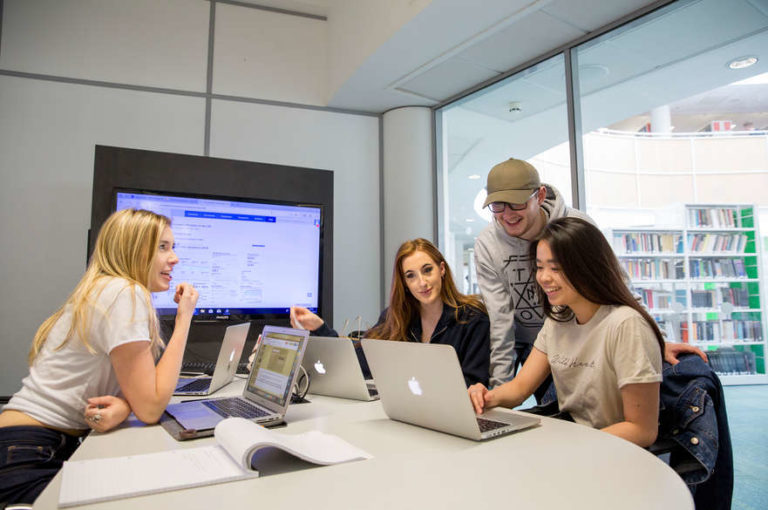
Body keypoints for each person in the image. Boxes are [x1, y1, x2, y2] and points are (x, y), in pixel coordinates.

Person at [0, 209, 199, 505]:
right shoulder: (125, 293)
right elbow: (151, 408)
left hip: (27, 446)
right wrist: (185, 318)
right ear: (133, 248)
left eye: (173, 247)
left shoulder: (108, 289)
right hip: (29, 454)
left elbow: (140, 394)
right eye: (162, 247)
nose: (174, 258)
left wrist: (124, 404)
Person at [474, 157, 704, 392]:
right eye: (498, 206)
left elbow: (617, 286)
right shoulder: (487, 243)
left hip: (577, 340)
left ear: (540, 196)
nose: (507, 214)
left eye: (517, 203)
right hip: (531, 345)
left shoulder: (575, 226)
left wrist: (657, 340)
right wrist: (497, 391)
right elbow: (500, 320)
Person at [469, 217, 663, 447]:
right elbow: (519, 389)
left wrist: (570, 446)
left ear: (587, 267)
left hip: (610, 452)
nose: (543, 277)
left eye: (556, 268)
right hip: (572, 439)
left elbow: (641, 430)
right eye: (540, 267)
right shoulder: (559, 319)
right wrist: (485, 397)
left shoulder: (626, 325)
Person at [291, 238, 490, 386]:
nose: (422, 283)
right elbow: (358, 362)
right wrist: (320, 327)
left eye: (427, 270)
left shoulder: (472, 317)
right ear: (404, 282)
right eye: (411, 276)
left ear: (442, 269)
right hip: (403, 414)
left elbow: (473, 383)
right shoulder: (394, 317)